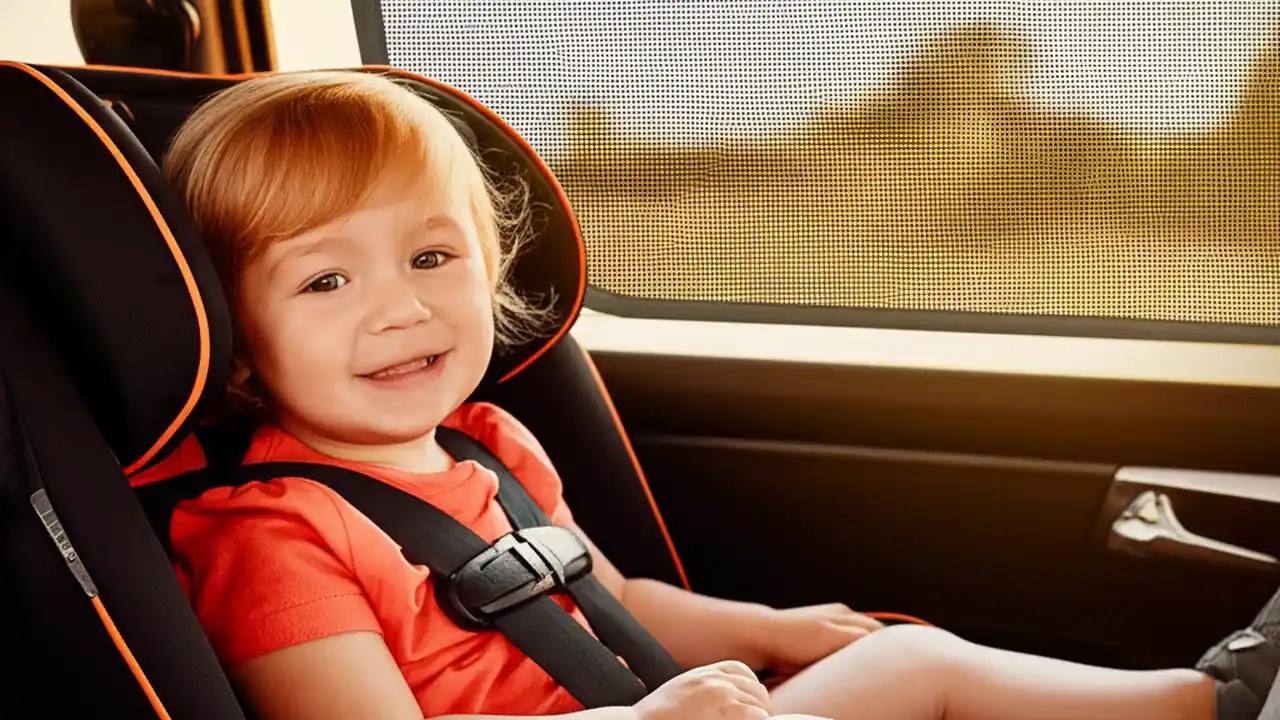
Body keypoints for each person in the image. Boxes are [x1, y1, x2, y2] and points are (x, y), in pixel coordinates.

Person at [132, 69, 1224, 720]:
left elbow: (612, 598)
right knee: (919, 666)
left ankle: (1197, 700)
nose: (401, 309)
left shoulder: (483, 442)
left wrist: (774, 632)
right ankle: (1206, 706)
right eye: (327, 280)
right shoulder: (266, 531)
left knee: (885, 650)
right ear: (228, 334)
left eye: (433, 257)